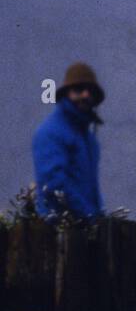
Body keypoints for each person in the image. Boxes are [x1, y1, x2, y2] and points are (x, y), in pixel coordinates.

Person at [32, 62, 106, 218]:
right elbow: (54, 183)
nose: (86, 95)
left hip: (82, 228)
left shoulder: (88, 138)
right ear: (66, 94)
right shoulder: (51, 131)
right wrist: (90, 216)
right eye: (79, 89)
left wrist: (97, 216)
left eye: (90, 91)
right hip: (57, 231)